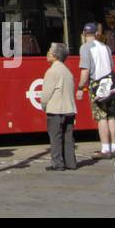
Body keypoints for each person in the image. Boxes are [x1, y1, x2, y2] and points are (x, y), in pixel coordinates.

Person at [77, 22, 115, 158]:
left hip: (96, 86)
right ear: (97, 33)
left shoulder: (85, 48)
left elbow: (85, 71)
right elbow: (112, 67)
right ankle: (114, 147)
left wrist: (80, 87)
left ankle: (105, 149)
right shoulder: (106, 48)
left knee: (101, 117)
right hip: (110, 84)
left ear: (84, 34)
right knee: (111, 116)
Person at [40, 42, 77, 171]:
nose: (47, 53)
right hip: (69, 109)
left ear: (55, 55)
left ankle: (57, 163)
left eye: (50, 51)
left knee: (55, 137)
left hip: (55, 109)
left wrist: (43, 106)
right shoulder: (68, 72)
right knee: (68, 137)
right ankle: (71, 162)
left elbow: (46, 94)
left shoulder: (51, 71)